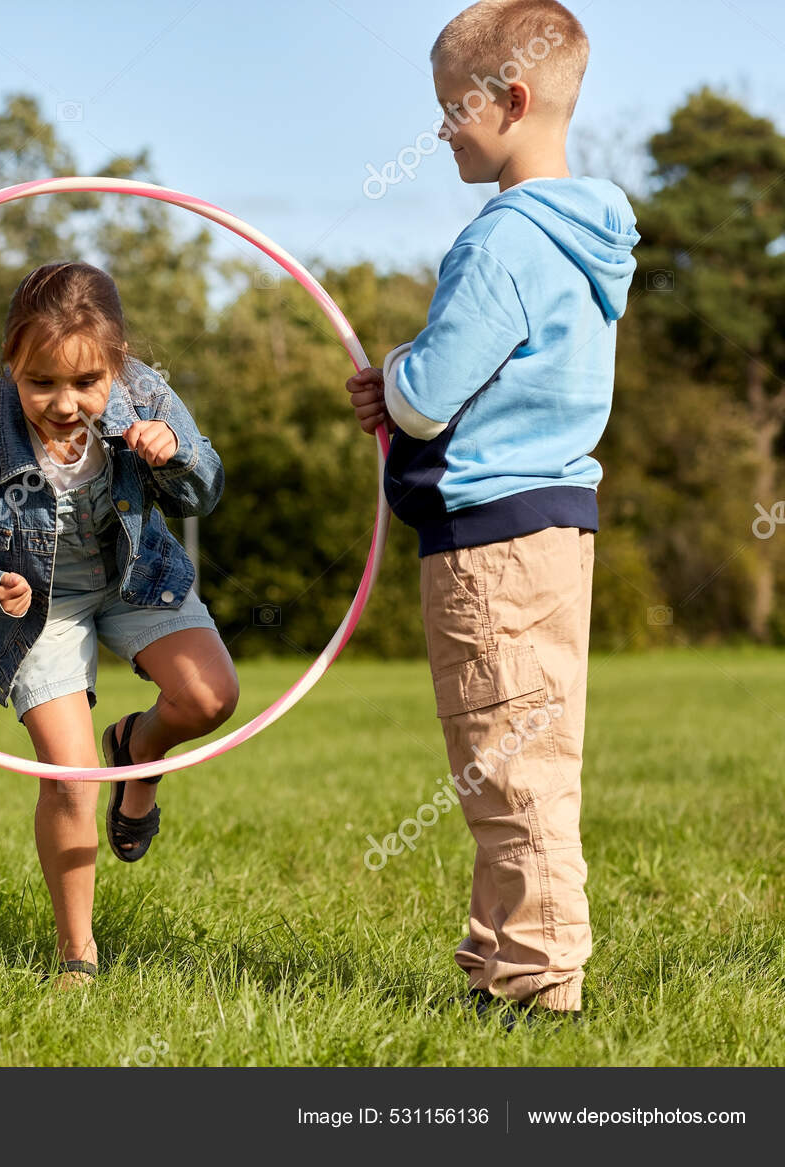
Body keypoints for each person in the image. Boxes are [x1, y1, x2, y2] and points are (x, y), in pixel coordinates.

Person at [346, 0, 639, 1021]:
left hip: (489, 539)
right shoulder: (589, 233)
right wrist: (402, 390)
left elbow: (429, 395)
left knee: (508, 773)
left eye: (450, 109)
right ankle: (497, 962)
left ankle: (538, 985)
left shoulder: (501, 243)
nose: (440, 131)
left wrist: (393, 379)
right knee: (514, 759)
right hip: (553, 529)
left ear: (510, 101)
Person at [0, 261, 239, 986]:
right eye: (41, 383)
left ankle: (136, 747)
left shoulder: (146, 393)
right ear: (12, 365)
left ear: (117, 364)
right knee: (68, 778)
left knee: (211, 697)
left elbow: (206, 489)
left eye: (86, 382)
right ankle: (77, 956)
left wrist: (176, 453)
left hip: (136, 576)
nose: (64, 404)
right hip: (38, 610)